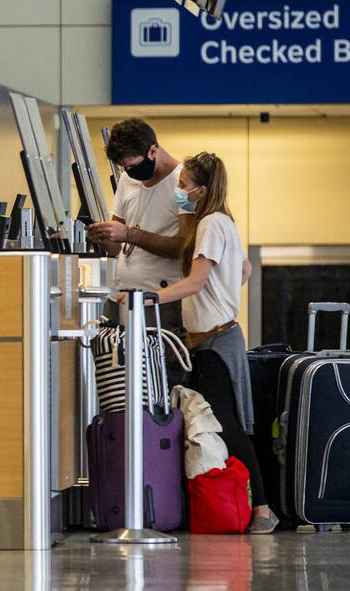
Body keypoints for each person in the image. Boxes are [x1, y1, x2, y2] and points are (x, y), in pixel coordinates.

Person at [132, 152, 278, 535]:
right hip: (211, 338)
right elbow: (243, 269)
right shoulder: (221, 221)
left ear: (203, 188)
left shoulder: (211, 223)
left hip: (216, 342)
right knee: (218, 424)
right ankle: (234, 502)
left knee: (226, 425)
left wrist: (150, 299)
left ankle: (262, 508)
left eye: (184, 185)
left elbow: (196, 281)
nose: (179, 191)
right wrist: (223, 291)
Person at [89, 119, 195, 339]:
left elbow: (183, 247)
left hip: (157, 299)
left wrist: (130, 234)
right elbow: (118, 247)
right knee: (110, 358)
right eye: (124, 168)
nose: (129, 172)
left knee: (154, 360)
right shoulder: (128, 181)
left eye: (133, 166)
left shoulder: (182, 183)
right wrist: (101, 235)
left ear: (153, 151)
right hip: (119, 295)